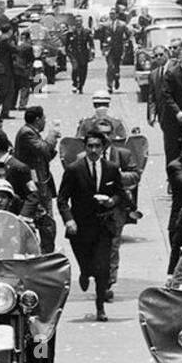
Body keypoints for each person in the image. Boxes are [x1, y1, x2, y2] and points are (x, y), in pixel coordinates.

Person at [57, 130, 127, 322]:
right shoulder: (74, 169)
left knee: (103, 268)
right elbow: (62, 199)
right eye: (90, 146)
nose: (94, 150)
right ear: (85, 147)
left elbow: (120, 193)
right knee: (86, 262)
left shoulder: (111, 168)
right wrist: (69, 220)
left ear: (103, 148)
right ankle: (85, 272)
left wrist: (112, 201)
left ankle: (100, 306)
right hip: (80, 227)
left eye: (97, 146)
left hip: (103, 225)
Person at [14, 106, 60, 254]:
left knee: (47, 221)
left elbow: (45, 156)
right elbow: (44, 149)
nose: (45, 122)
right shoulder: (27, 133)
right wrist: (52, 135)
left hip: (42, 182)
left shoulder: (33, 133)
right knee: (44, 221)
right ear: (38, 119)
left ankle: (46, 250)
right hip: (34, 185)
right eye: (44, 119)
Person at [102, 12, 130, 93]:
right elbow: (101, 36)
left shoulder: (122, 25)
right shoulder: (106, 25)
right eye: (110, 14)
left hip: (118, 49)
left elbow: (128, 34)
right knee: (110, 66)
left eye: (113, 14)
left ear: (116, 15)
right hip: (109, 49)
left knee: (116, 67)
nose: (112, 15)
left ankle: (116, 78)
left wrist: (125, 42)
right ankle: (109, 85)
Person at [66, 18, 94, 94]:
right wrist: (67, 54)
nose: (78, 22)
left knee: (83, 71)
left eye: (80, 21)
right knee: (75, 68)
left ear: (82, 22)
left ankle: (81, 85)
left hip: (84, 53)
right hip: (74, 54)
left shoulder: (87, 31)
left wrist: (92, 52)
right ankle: (75, 83)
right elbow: (67, 44)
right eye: (77, 21)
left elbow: (91, 43)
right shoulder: (71, 32)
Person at [13, 30, 35, 110]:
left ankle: (12, 104)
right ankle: (22, 105)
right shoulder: (28, 47)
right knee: (25, 87)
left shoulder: (16, 45)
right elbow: (31, 58)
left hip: (15, 68)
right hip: (24, 68)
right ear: (28, 38)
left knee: (15, 87)